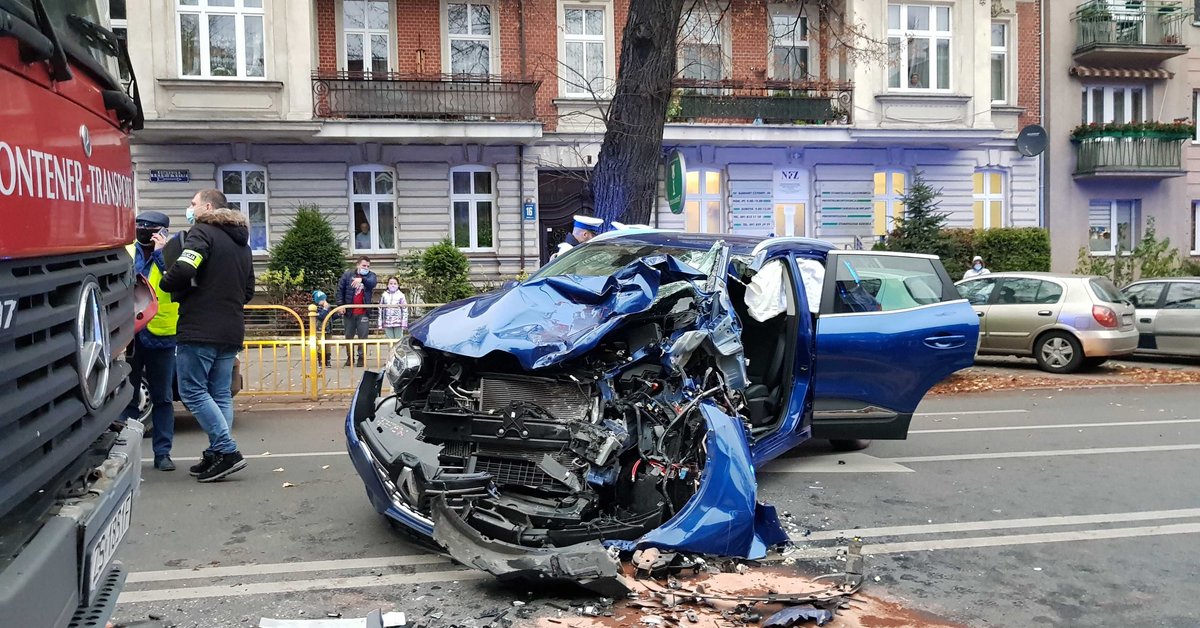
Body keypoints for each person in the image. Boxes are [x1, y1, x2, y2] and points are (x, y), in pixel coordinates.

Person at [159, 189, 255, 483]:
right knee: (220, 393)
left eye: (193, 203)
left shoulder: (202, 232)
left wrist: (167, 279)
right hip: (231, 328)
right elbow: (249, 290)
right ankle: (216, 454)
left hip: (200, 327)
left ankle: (226, 450)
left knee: (191, 391)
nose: (190, 208)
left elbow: (187, 266)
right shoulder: (242, 243)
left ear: (208, 207)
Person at [125, 210, 180, 471]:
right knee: (127, 397)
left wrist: (160, 254)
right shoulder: (127, 250)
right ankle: (127, 454)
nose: (143, 230)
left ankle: (162, 453)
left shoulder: (172, 254)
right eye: (140, 226)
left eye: (149, 227)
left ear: (162, 232)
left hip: (162, 334)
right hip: (130, 334)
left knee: (163, 397)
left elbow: (177, 283)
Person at [337, 256, 378, 366]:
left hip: (363, 312)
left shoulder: (371, 275)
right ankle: (350, 358)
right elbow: (340, 290)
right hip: (349, 312)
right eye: (364, 265)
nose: (366, 268)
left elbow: (372, 283)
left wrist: (362, 279)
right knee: (349, 336)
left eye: (368, 266)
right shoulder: (348, 275)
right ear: (358, 265)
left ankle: (361, 358)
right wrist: (340, 305)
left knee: (363, 336)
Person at [313, 289, 334, 368]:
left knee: (328, 346)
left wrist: (338, 314)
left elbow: (330, 317)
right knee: (320, 346)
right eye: (322, 299)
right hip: (319, 330)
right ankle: (321, 361)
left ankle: (328, 360)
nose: (324, 301)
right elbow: (321, 317)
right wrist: (325, 309)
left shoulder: (328, 308)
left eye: (325, 299)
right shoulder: (316, 309)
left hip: (328, 329)